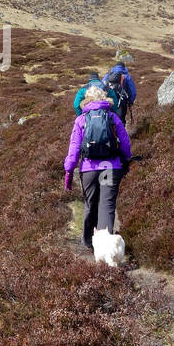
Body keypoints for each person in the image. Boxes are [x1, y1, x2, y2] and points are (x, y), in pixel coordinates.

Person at [63, 85, 132, 252]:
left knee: (90, 203)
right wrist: (126, 160)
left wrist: (69, 172)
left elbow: (74, 148)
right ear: (103, 98)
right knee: (107, 205)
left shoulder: (81, 120)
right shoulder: (112, 117)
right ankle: (107, 246)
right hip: (109, 166)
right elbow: (125, 143)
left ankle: (89, 242)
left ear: (87, 100)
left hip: (89, 169)